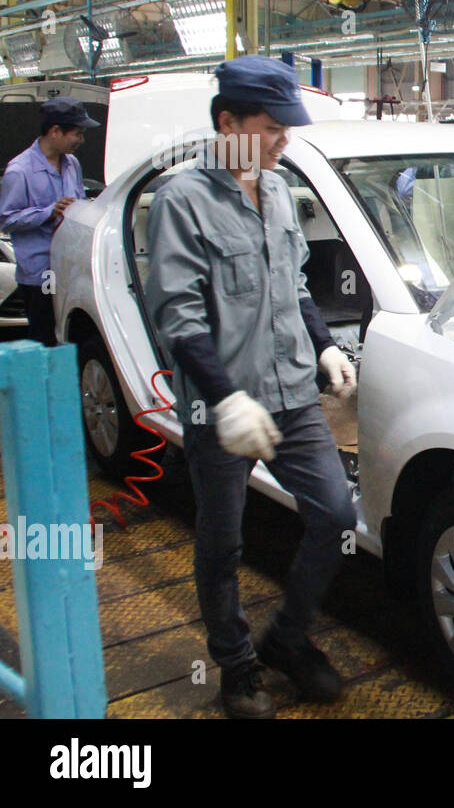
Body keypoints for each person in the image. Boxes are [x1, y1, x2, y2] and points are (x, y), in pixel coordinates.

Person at [144, 56, 358, 719]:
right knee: (222, 541)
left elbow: (293, 288)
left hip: (294, 394)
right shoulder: (183, 201)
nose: (282, 141)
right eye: (270, 129)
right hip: (223, 403)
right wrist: (225, 396)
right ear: (227, 122)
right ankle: (236, 665)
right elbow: (177, 315)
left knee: (335, 515)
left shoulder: (277, 193)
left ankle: (288, 639)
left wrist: (324, 345)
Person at [0, 96, 96, 346]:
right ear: (55, 131)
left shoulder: (72, 164)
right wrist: (47, 212)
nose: (81, 140)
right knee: (45, 339)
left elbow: (79, 199)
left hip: (70, 267)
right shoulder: (19, 171)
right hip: (40, 273)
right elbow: (7, 219)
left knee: (72, 334)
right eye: (77, 133)